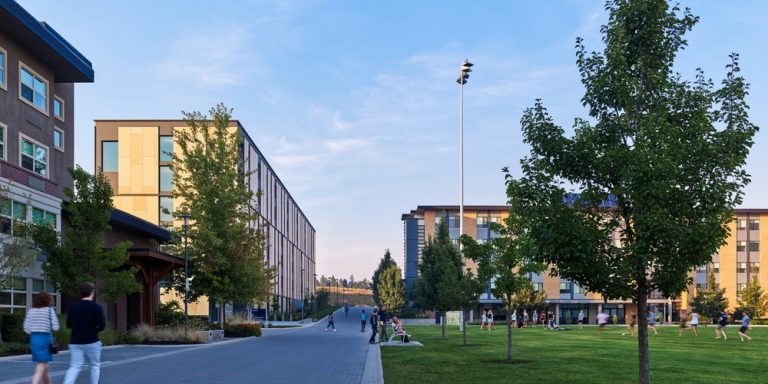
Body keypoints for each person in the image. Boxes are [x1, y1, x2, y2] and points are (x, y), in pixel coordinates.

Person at [64, 282, 105, 384]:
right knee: (95, 365)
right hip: (92, 341)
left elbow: (68, 325)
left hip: (75, 341)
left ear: (80, 293)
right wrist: (94, 328)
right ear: (92, 292)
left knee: (75, 366)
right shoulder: (97, 307)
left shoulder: (72, 307)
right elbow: (102, 326)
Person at [24, 292, 60, 384]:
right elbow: (56, 327)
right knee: (41, 365)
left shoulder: (31, 311)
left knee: (44, 366)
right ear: (48, 300)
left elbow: (26, 328)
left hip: (34, 339)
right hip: (45, 338)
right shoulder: (49, 311)